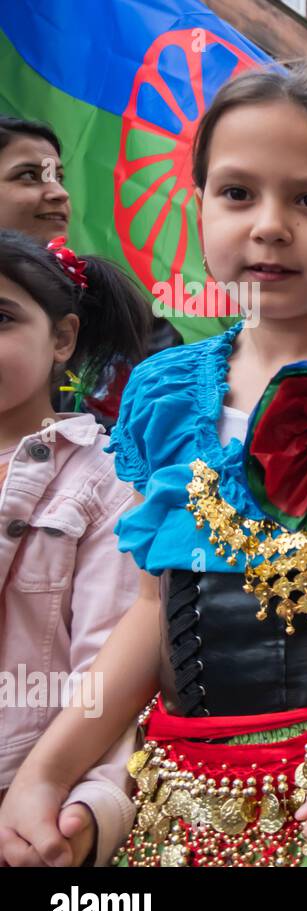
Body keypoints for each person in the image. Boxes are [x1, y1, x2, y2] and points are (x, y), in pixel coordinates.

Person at [0, 60, 307, 867]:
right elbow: (150, 611)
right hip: (190, 804)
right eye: (237, 193)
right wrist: (48, 769)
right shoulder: (160, 395)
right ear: (197, 208)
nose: (269, 225)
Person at [0, 230, 151, 866]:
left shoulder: (108, 482)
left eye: (1, 318)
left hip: (30, 819)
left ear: (62, 338)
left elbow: (113, 677)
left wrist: (89, 810)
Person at [0, 114, 180, 427]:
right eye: (29, 176)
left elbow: (168, 426)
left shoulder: (118, 312)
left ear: (64, 336)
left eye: (59, 177)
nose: (60, 193)